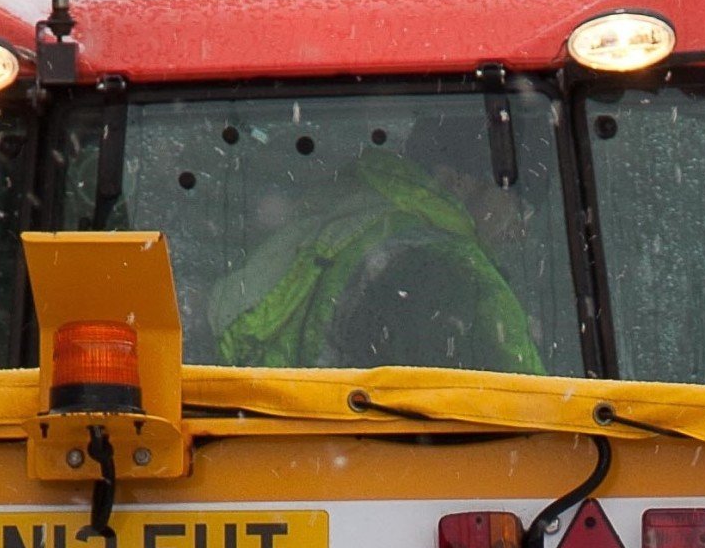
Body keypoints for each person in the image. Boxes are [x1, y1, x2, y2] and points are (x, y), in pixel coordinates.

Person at [212, 140, 545, 373]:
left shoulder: (349, 219)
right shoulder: (438, 262)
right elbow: (519, 406)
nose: (520, 232)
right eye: (522, 209)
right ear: (460, 180)